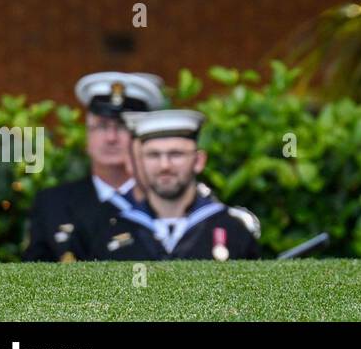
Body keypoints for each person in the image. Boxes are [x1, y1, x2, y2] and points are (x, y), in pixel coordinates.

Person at [23, 72, 165, 262]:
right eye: (101, 126)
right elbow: (31, 279)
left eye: (122, 126)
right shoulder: (52, 203)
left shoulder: (168, 202)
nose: (111, 138)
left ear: (143, 137)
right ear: (87, 137)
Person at [93, 109, 259, 260]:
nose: (164, 165)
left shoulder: (232, 228)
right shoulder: (111, 232)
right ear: (140, 162)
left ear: (198, 161)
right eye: (153, 155)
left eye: (176, 154)